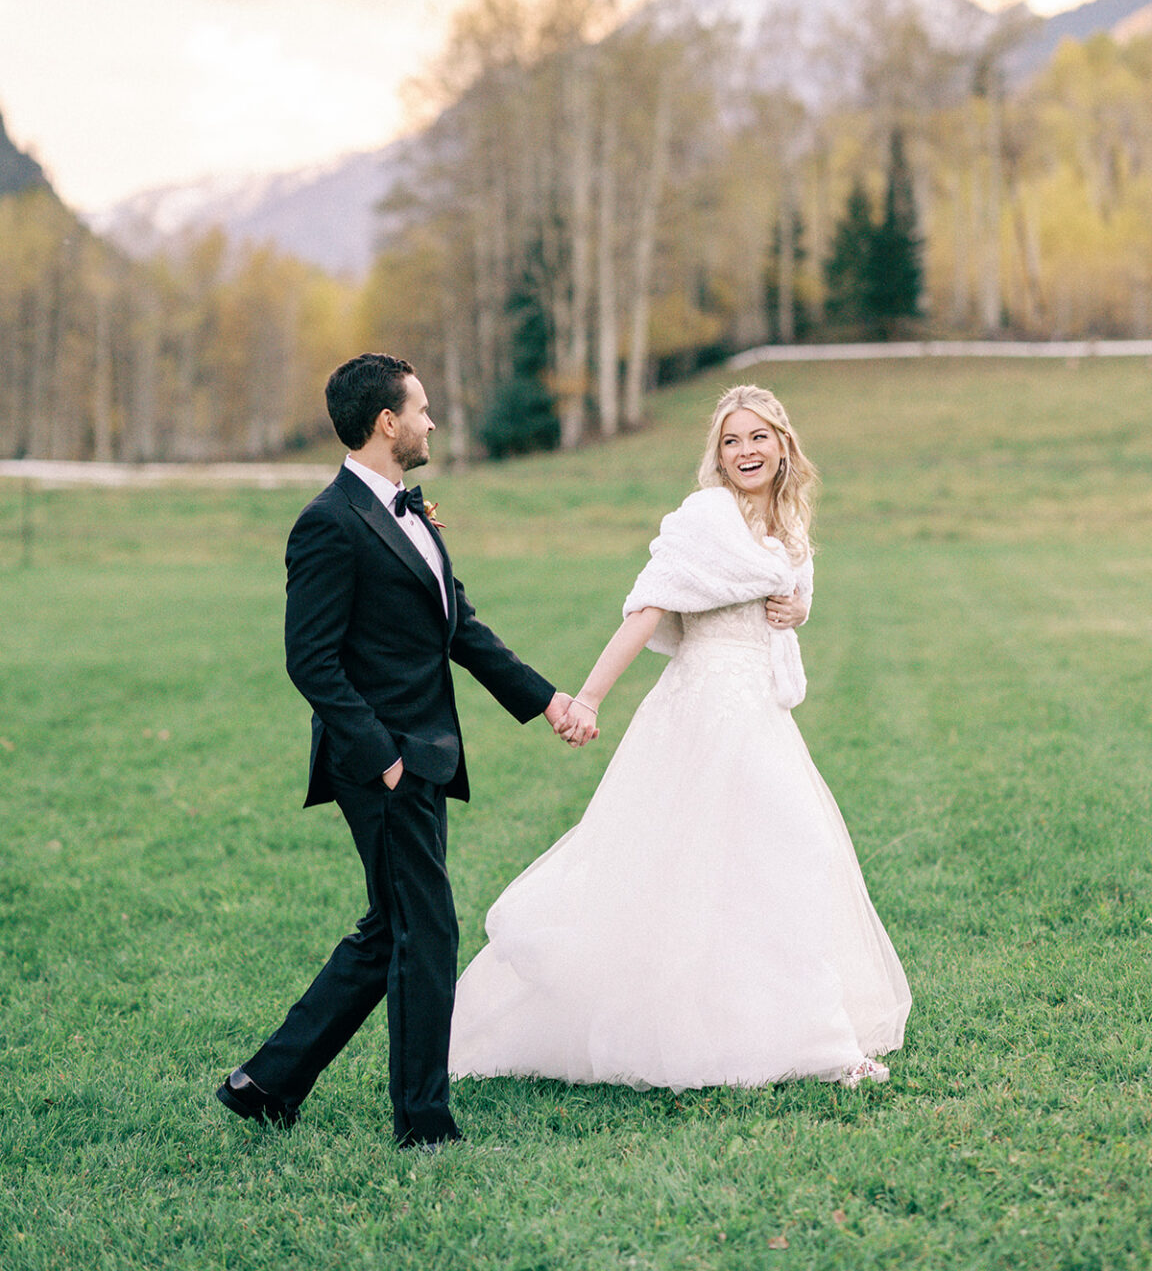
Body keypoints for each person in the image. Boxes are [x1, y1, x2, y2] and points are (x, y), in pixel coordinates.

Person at [449, 384, 911, 1092]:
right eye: (731, 440)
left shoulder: (787, 530)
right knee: (682, 870)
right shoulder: (705, 519)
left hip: (762, 715)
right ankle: (757, 1036)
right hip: (701, 712)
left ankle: (812, 1035)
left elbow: (791, 599)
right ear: (717, 456)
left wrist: (797, 604)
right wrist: (590, 696)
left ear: (783, 445)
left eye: (759, 437)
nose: (746, 451)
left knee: (788, 860)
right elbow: (649, 607)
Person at [216, 353, 581, 1146]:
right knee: (427, 927)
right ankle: (422, 1121)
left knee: (395, 924)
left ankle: (268, 1081)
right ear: (387, 422)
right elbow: (309, 659)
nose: (430, 422)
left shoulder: (407, 512)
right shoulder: (328, 522)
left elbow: (460, 629)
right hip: (383, 762)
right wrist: (382, 754)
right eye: (421, 408)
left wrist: (546, 699)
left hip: (424, 753)